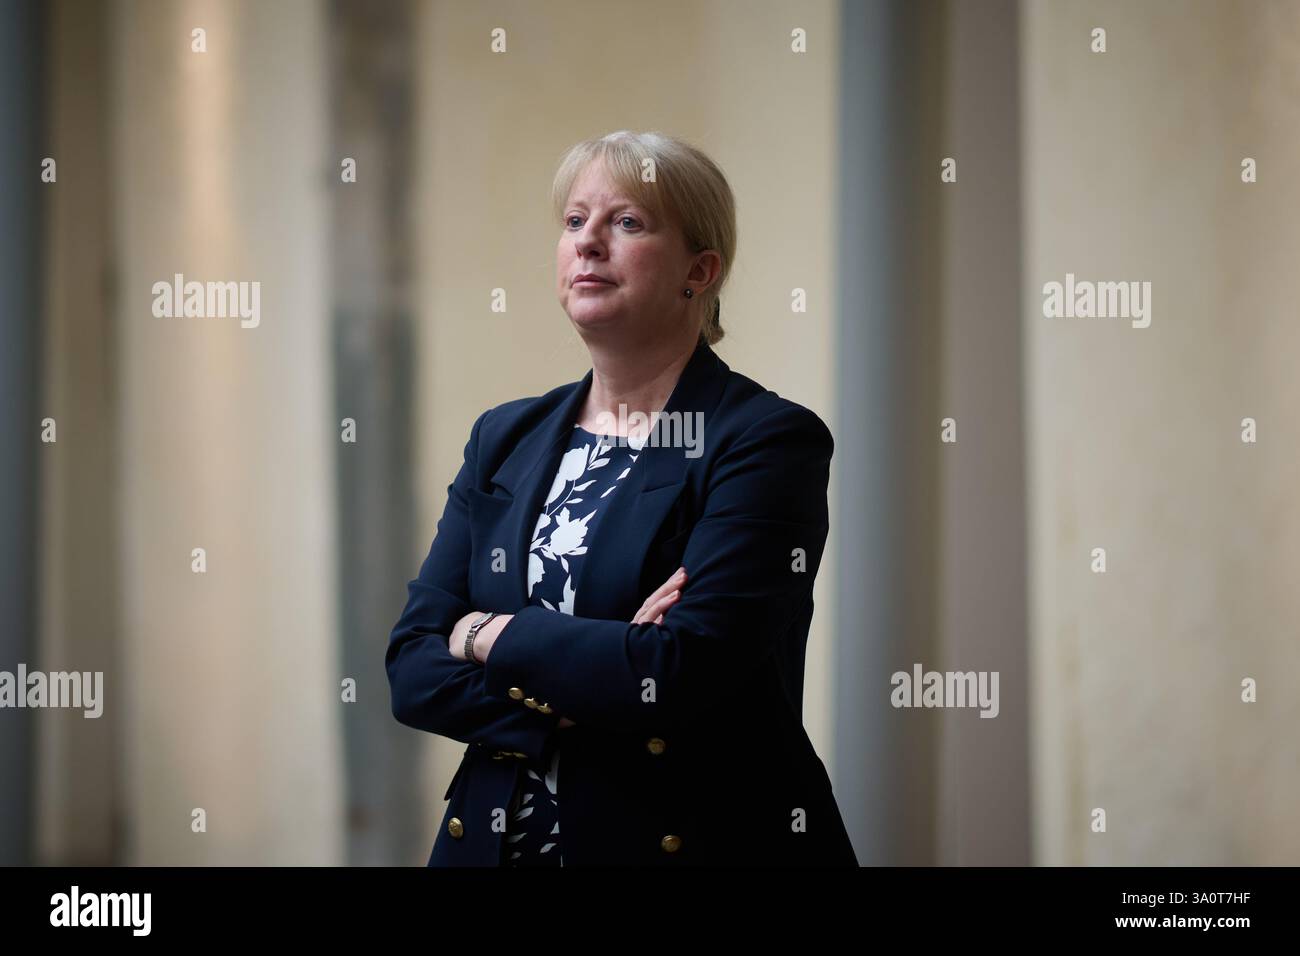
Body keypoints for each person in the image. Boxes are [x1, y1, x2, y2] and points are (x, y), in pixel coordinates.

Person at [386, 130, 857, 866]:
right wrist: (584, 683)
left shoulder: (763, 440)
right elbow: (412, 666)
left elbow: (674, 672)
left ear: (699, 271)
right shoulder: (505, 437)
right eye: (576, 221)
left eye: (628, 222)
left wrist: (484, 634)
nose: (589, 243)